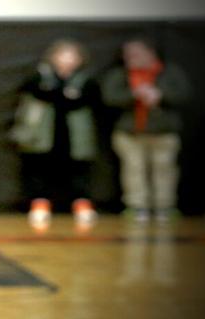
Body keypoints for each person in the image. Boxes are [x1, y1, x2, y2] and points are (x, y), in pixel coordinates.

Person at [11, 39, 102, 232]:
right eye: (62, 56)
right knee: (39, 171)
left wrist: (66, 96)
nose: (67, 61)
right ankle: (40, 206)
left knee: (78, 173)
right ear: (53, 57)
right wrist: (63, 95)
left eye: (71, 56)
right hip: (43, 136)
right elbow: (40, 95)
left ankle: (82, 206)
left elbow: (86, 100)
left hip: (73, 138)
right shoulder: (40, 77)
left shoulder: (85, 80)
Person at [100, 37, 193, 222]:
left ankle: (164, 207)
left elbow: (184, 95)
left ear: (150, 52)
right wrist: (134, 95)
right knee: (133, 170)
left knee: (164, 170)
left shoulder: (168, 72)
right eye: (127, 54)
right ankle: (137, 207)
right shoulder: (119, 74)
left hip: (163, 133)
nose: (130, 57)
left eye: (135, 53)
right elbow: (109, 98)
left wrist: (160, 94)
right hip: (129, 133)